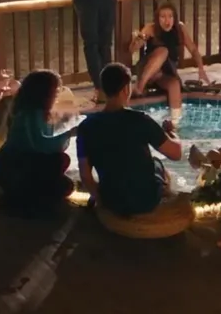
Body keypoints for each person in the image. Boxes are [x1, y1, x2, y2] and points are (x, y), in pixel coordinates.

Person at [77, 63, 182, 217]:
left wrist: (101, 200)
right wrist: (172, 133)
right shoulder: (140, 120)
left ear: (104, 89)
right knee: (157, 164)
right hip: (146, 201)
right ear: (126, 89)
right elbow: (176, 154)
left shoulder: (86, 126)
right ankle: (164, 194)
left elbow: (85, 175)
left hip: (111, 201)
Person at [0, 70, 78, 216]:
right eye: (54, 93)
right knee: (59, 162)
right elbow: (42, 145)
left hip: (24, 165)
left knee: (64, 179)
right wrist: (69, 133)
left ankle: (29, 194)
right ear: (43, 94)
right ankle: (26, 196)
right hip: (13, 168)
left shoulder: (38, 113)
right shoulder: (28, 115)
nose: (56, 97)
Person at [130, 1, 209, 123]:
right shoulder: (151, 28)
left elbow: (193, 50)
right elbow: (132, 49)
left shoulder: (180, 28)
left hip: (165, 72)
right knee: (163, 51)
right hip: (148, 69)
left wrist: (201, 69)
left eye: (170, 16)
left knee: (175, 85)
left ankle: (175, 124)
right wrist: (139, 38)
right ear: (158, 19)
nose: (167, 20)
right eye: (163, 17)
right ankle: (140, 87)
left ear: (174, 18)